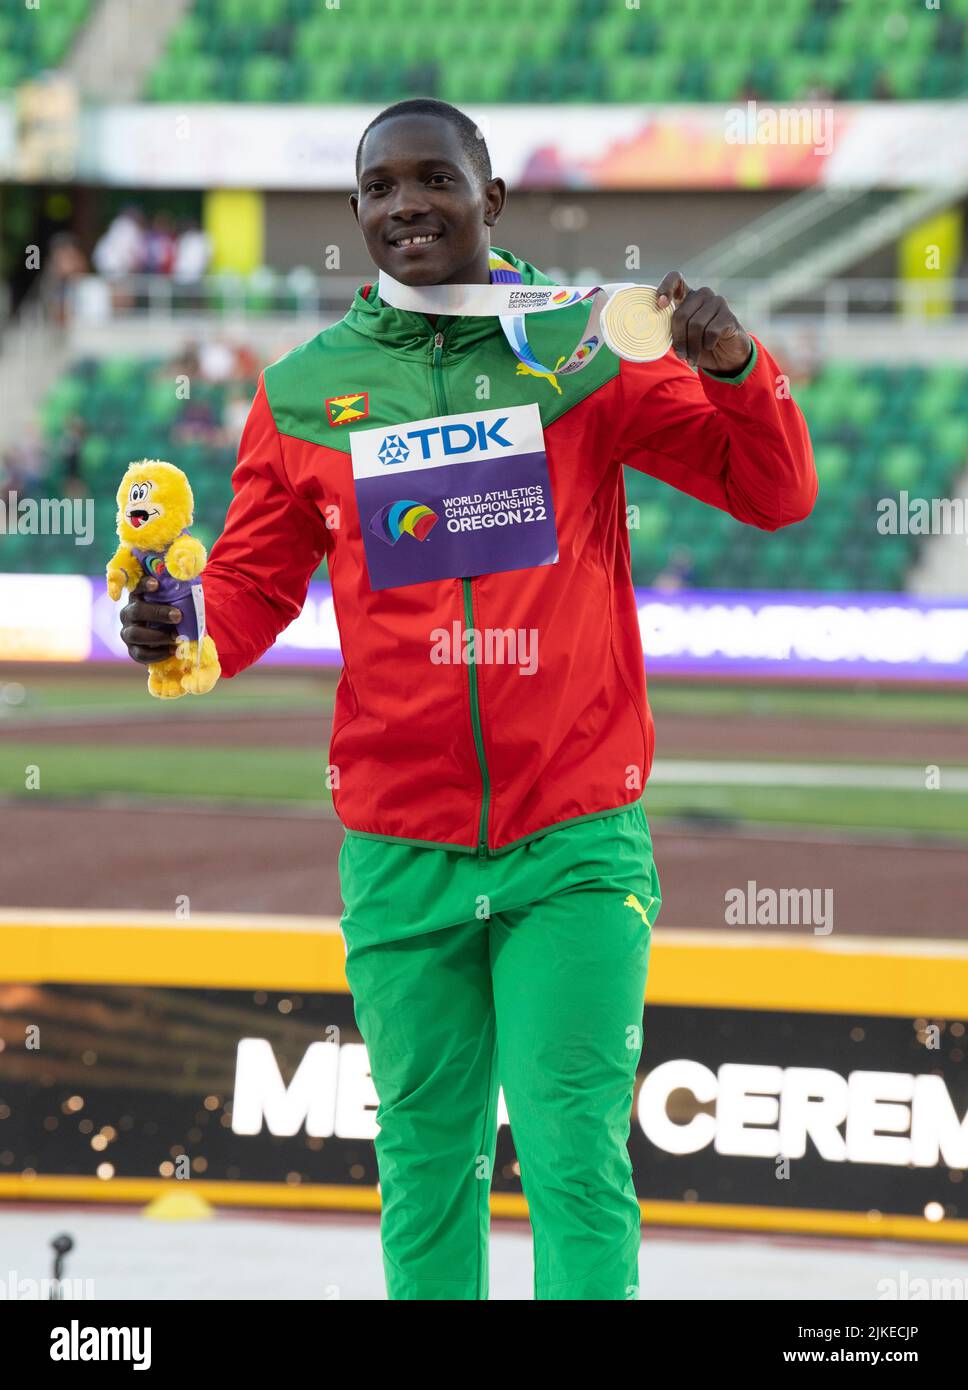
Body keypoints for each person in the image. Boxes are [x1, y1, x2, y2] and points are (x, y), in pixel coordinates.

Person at [119, 98, 816, 1301]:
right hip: (399, 849)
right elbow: (245, 587)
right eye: (380, 190)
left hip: (574, 839)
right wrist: (173, 628)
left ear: (490, 199)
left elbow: (773, 492)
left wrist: (734, 369)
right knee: (425, 1162)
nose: (407, 207)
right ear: (357, 217)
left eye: (433, 180)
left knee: (572, 1158)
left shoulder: (584, 349)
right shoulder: (303, 392)